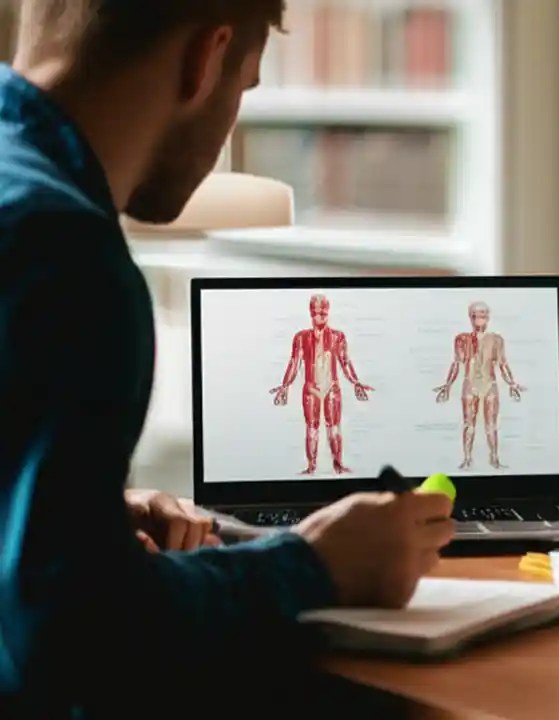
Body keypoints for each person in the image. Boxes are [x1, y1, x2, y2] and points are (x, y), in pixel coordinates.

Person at [0, 1, 454, 716]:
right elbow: (72, 639)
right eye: (246, 87)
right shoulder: (66, 255)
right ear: (205, 60)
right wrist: (312, 564)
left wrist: (80, 520)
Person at [270, 293, 375, 476]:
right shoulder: (301, 338)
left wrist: (355, 381)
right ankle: (311, 467)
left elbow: (345, 361)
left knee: (334, 427)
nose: (320, 317)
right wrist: (285, 384)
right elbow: (294, 363)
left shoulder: (337, 336)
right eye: (317, 313)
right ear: (311, 313)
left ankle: (338, 464)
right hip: (311, 389)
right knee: (312, 428)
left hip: (331, 388)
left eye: (324, 313)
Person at [433, 301, 526, 469]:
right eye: (475, 314)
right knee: (469, 424)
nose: (479, 318)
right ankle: (468, 459)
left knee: (491, 425)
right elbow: (456, 363)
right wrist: (448, 384)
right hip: (470, 384)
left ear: (488, 317)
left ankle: (494, 458)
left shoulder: (496, 340)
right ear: (470, 317)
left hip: (490, 384)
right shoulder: (462, 339)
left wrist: (511, 382)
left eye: (482, 314)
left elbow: (502, 364)